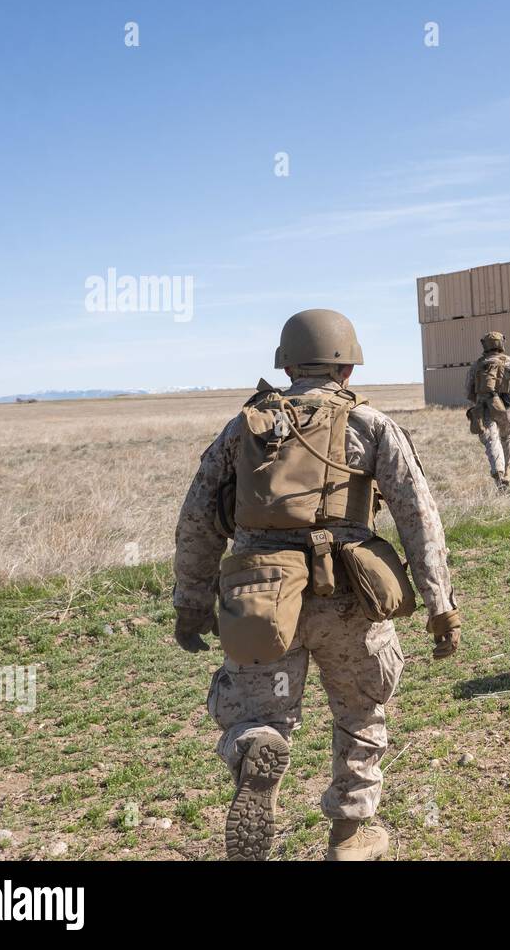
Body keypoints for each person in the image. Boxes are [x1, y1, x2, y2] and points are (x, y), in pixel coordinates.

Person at [172, 308, 461, 861]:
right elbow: (418, 517)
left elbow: (198, 520)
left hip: (261, 597)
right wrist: (439, 606)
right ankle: (351, 834)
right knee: (360, 710)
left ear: (286, 364)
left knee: (259, 709)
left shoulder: (244, 427)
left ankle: (259, 745)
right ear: (348, 367)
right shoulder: (372, 425)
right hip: (348, 598)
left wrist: (191, 602)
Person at [465, 331, 510, 489]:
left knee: (492, 440)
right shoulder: (509, 362)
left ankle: (498, 474)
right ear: (501, 344)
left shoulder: (477, 365)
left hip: (483, 407)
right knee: (506, 437)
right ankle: (506, 470)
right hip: (505, 407)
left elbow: (468, 391)